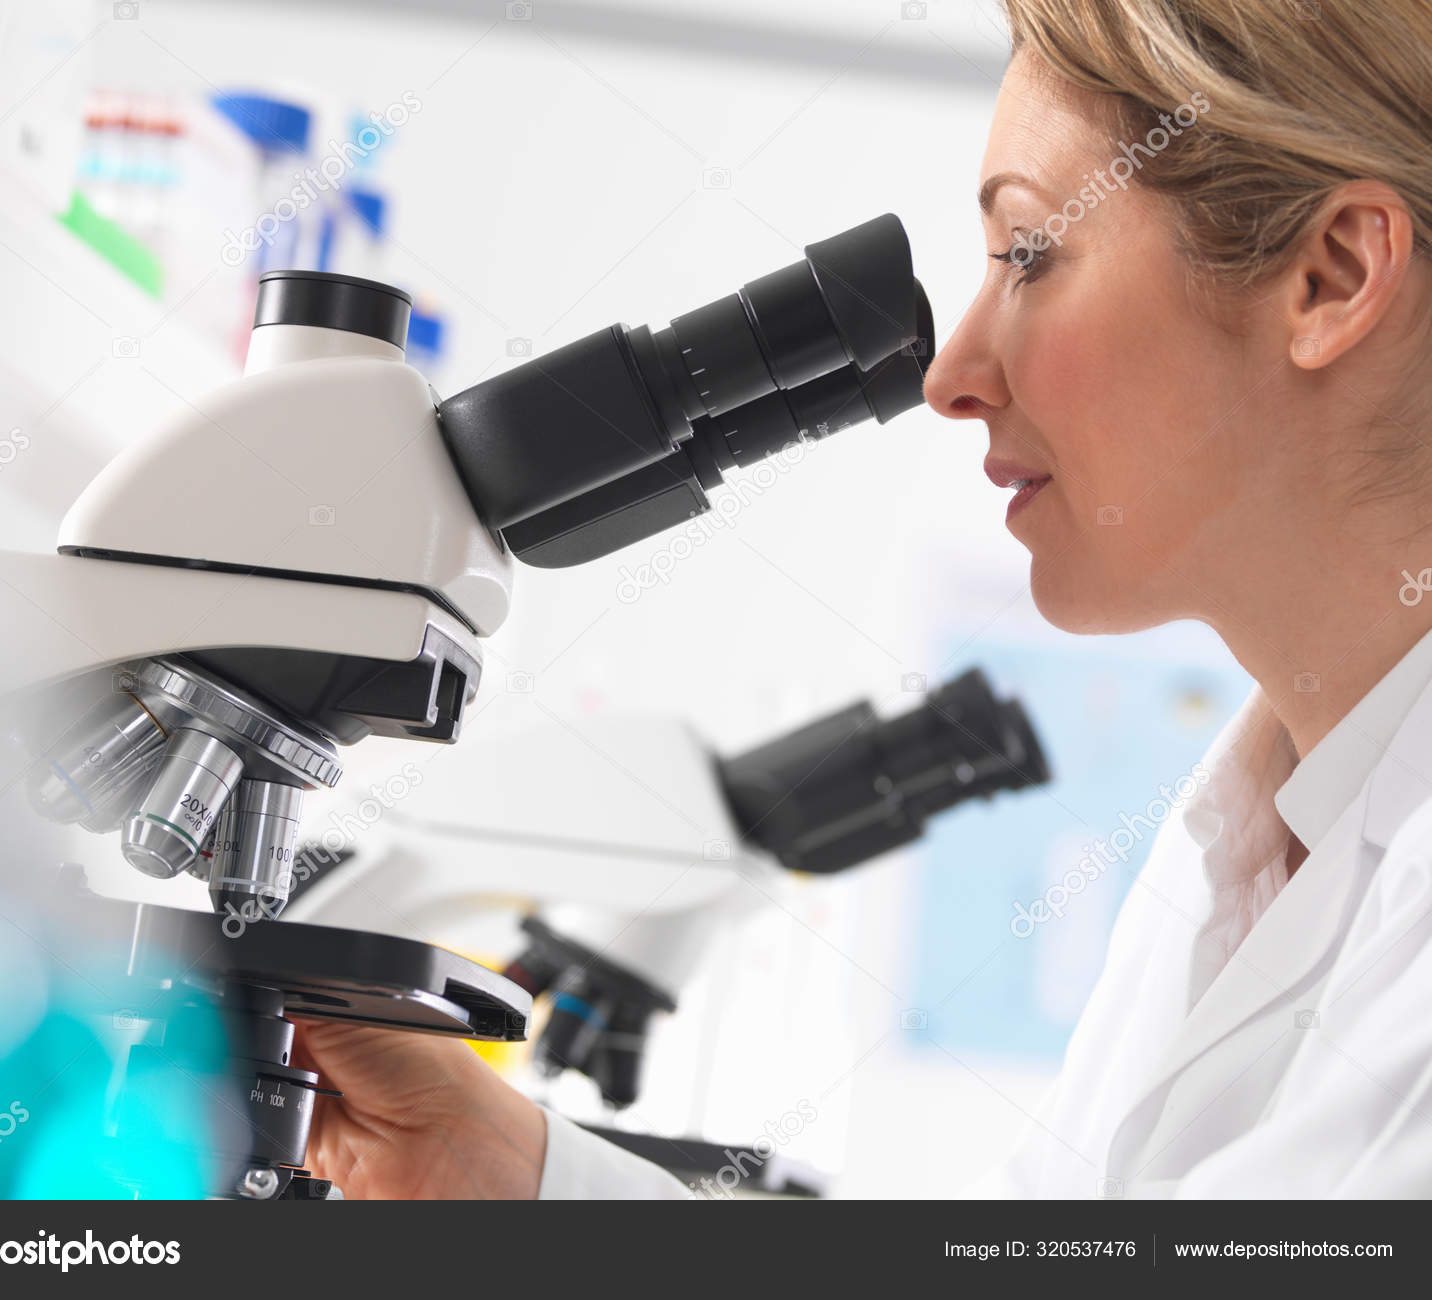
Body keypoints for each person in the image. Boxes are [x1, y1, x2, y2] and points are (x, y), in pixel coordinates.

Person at [293, 0, 1432, 1197]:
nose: (948, 374)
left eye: (1030, 252)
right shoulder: (1248, 831)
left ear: (1330, 277)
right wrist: (503, 1174)